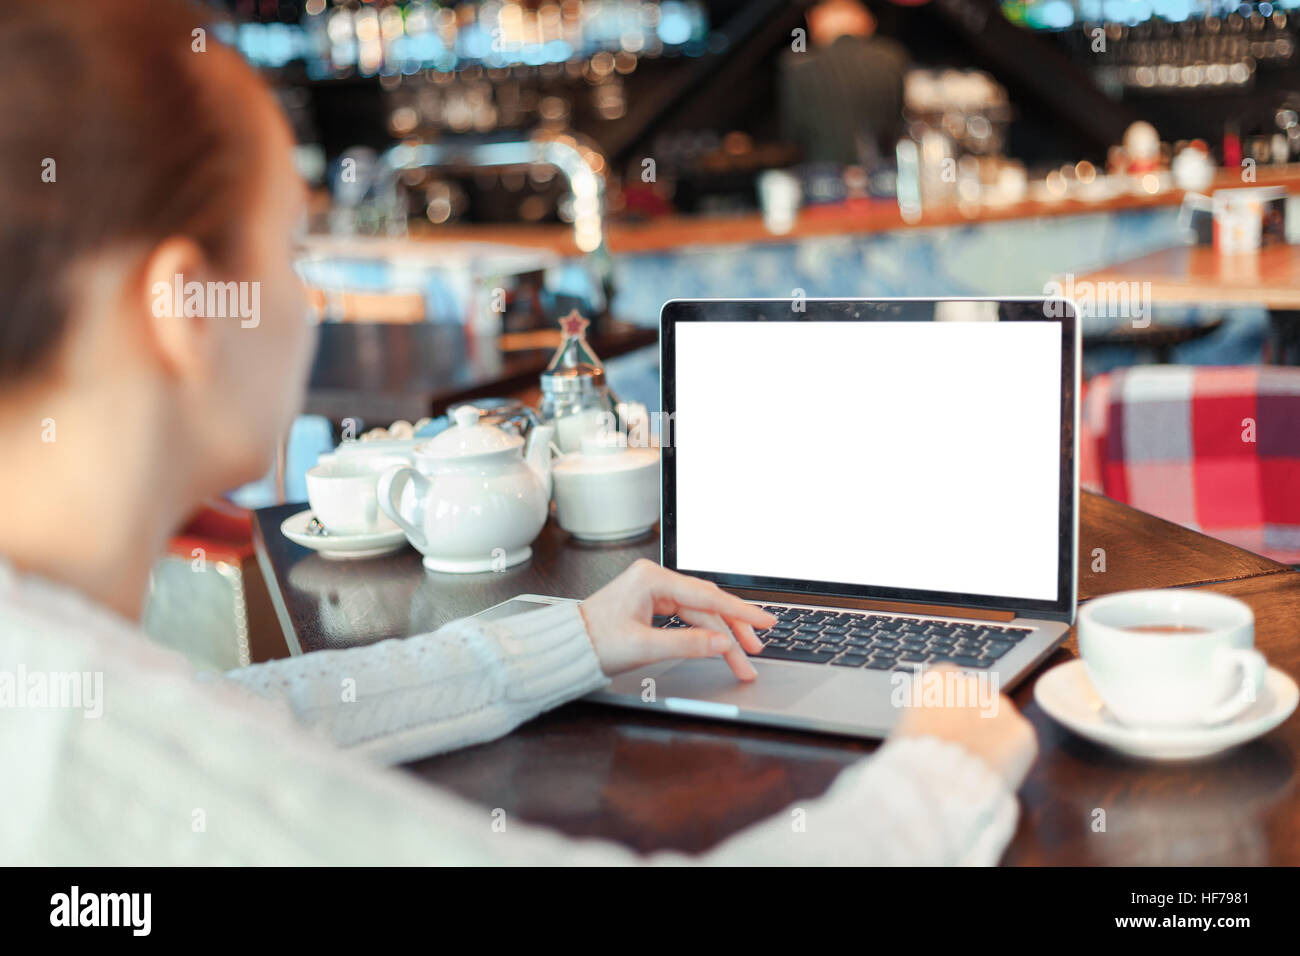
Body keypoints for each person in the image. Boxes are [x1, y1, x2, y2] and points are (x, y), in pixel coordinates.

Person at [0, 0, 1035, 865]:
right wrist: (944, 770)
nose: (306, 301)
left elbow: (247, 718)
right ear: (187, 308)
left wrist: (571, 638)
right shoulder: (73, 750)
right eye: (289, 249)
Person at [780, 0, 911, 166]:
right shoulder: (893, 57)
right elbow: (902, 118)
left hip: (823, 176)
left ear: (818, 21)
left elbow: (792, 132)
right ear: (864, 20)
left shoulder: (796, 64)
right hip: (881, 172)